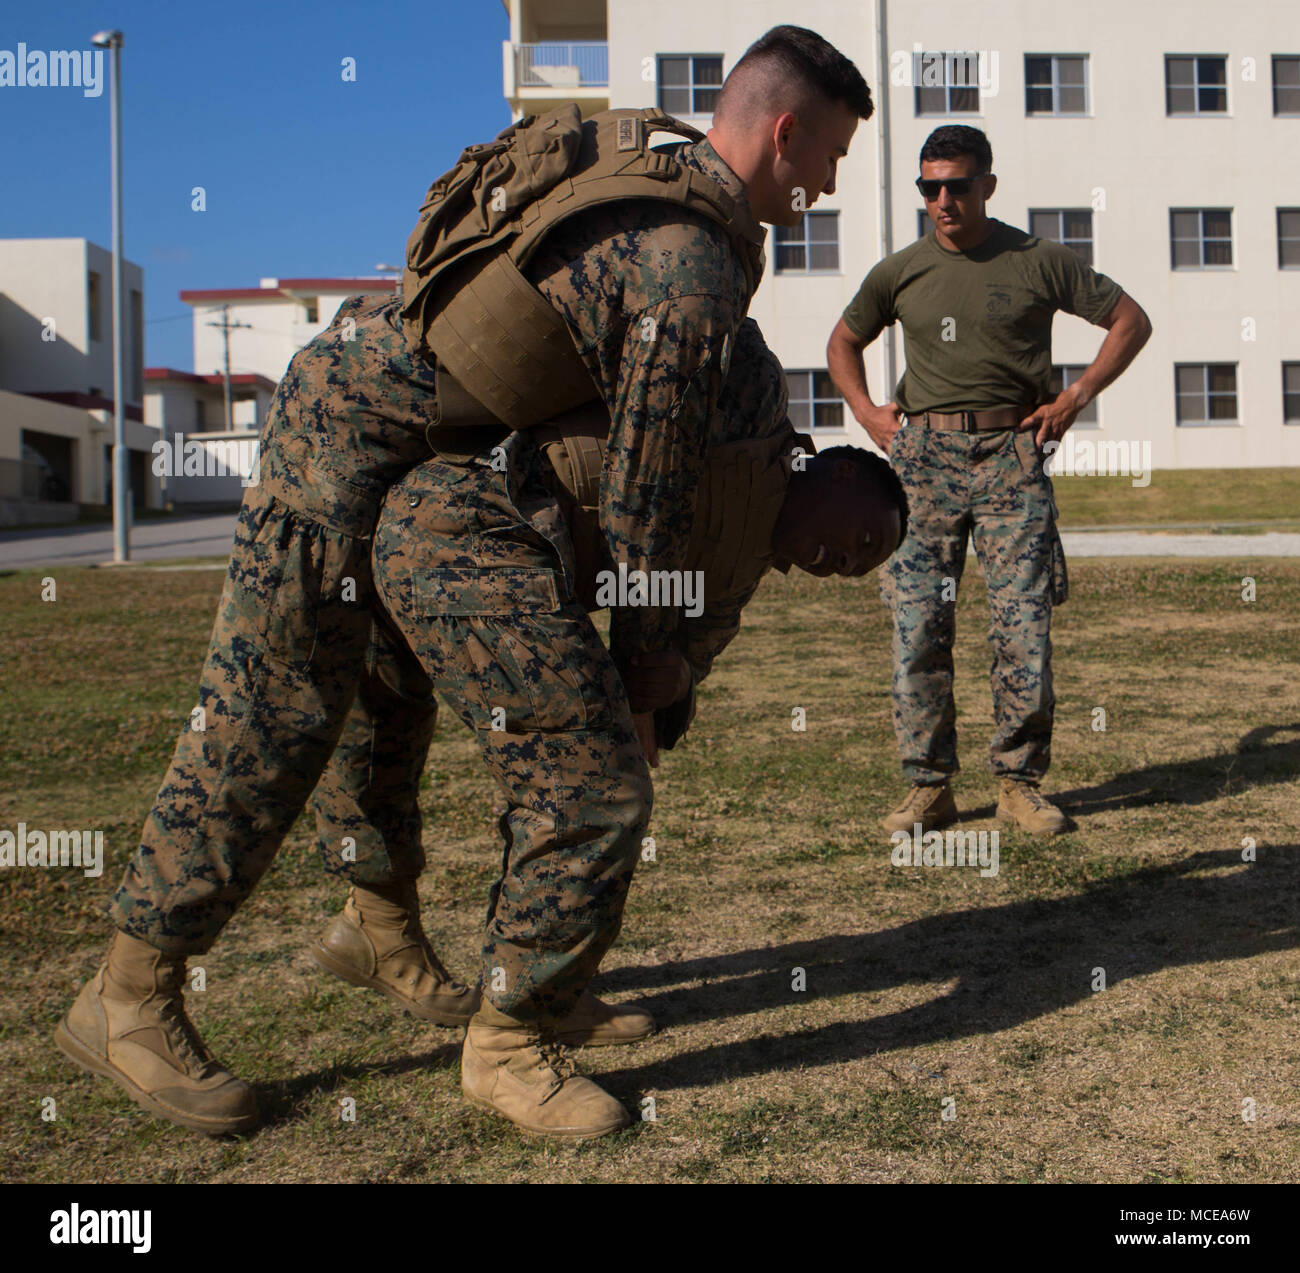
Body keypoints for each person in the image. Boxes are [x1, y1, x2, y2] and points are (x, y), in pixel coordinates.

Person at [55, 24, 875, 1139]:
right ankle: (128, 995)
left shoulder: (653, 175)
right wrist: (643, 668)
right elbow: (645, 487)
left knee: (383, 703)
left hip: (407, 450)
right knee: (272, 713)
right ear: (783, 132)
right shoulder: (693, 256)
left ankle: (378, 935)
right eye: (827, 157)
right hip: (340, 442)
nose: (826, 185)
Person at [358, 315, 905, 1139]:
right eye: (862, 532)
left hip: (515, 561)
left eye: (866, 563)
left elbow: (689, 665)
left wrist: (676, 675)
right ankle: (506, 1040)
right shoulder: (751, 420)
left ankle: (550, 983)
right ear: (830, 468)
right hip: (471, 533)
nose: (849, 559)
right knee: (592, 789)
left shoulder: (742, 567)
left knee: (600, 782)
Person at [827, 125, 1151, 838]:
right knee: (918, 626)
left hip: (1012, 456)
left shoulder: (1035, 260)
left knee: (1022, 626)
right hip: (924, 465)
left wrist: (1073, 398)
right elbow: (843, 341)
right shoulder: (901, 270)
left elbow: (1130, 319)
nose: (943, 200)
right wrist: (871, 414)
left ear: (988, 187)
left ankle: (1018, 783)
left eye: (957, 186)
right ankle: (927, 788)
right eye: (930, 187)